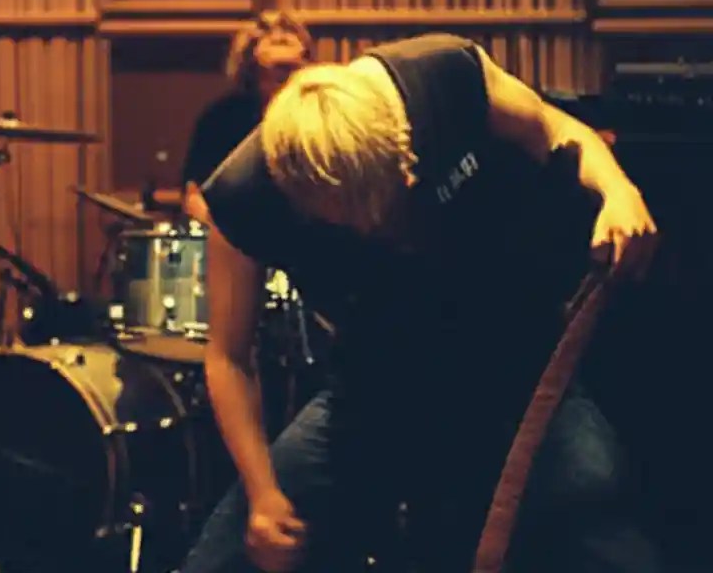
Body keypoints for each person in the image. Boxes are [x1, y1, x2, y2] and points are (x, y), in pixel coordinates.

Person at [180, 33, 660, 572]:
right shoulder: (245, 197)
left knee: (594, 511)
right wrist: (263, 492)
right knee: (223, 557)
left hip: (515, 359)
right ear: (304, 198)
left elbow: (556, 128)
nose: (395, 211)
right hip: (374, 380)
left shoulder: (443, 75)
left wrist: (618, 191)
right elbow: (227, 357)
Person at [182, 10, 316, 223]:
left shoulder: (320, 115)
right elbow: (195, 196)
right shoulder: (220, 119)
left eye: (292, 70)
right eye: (277, 71)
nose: (285, 80)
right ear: (251, 68)